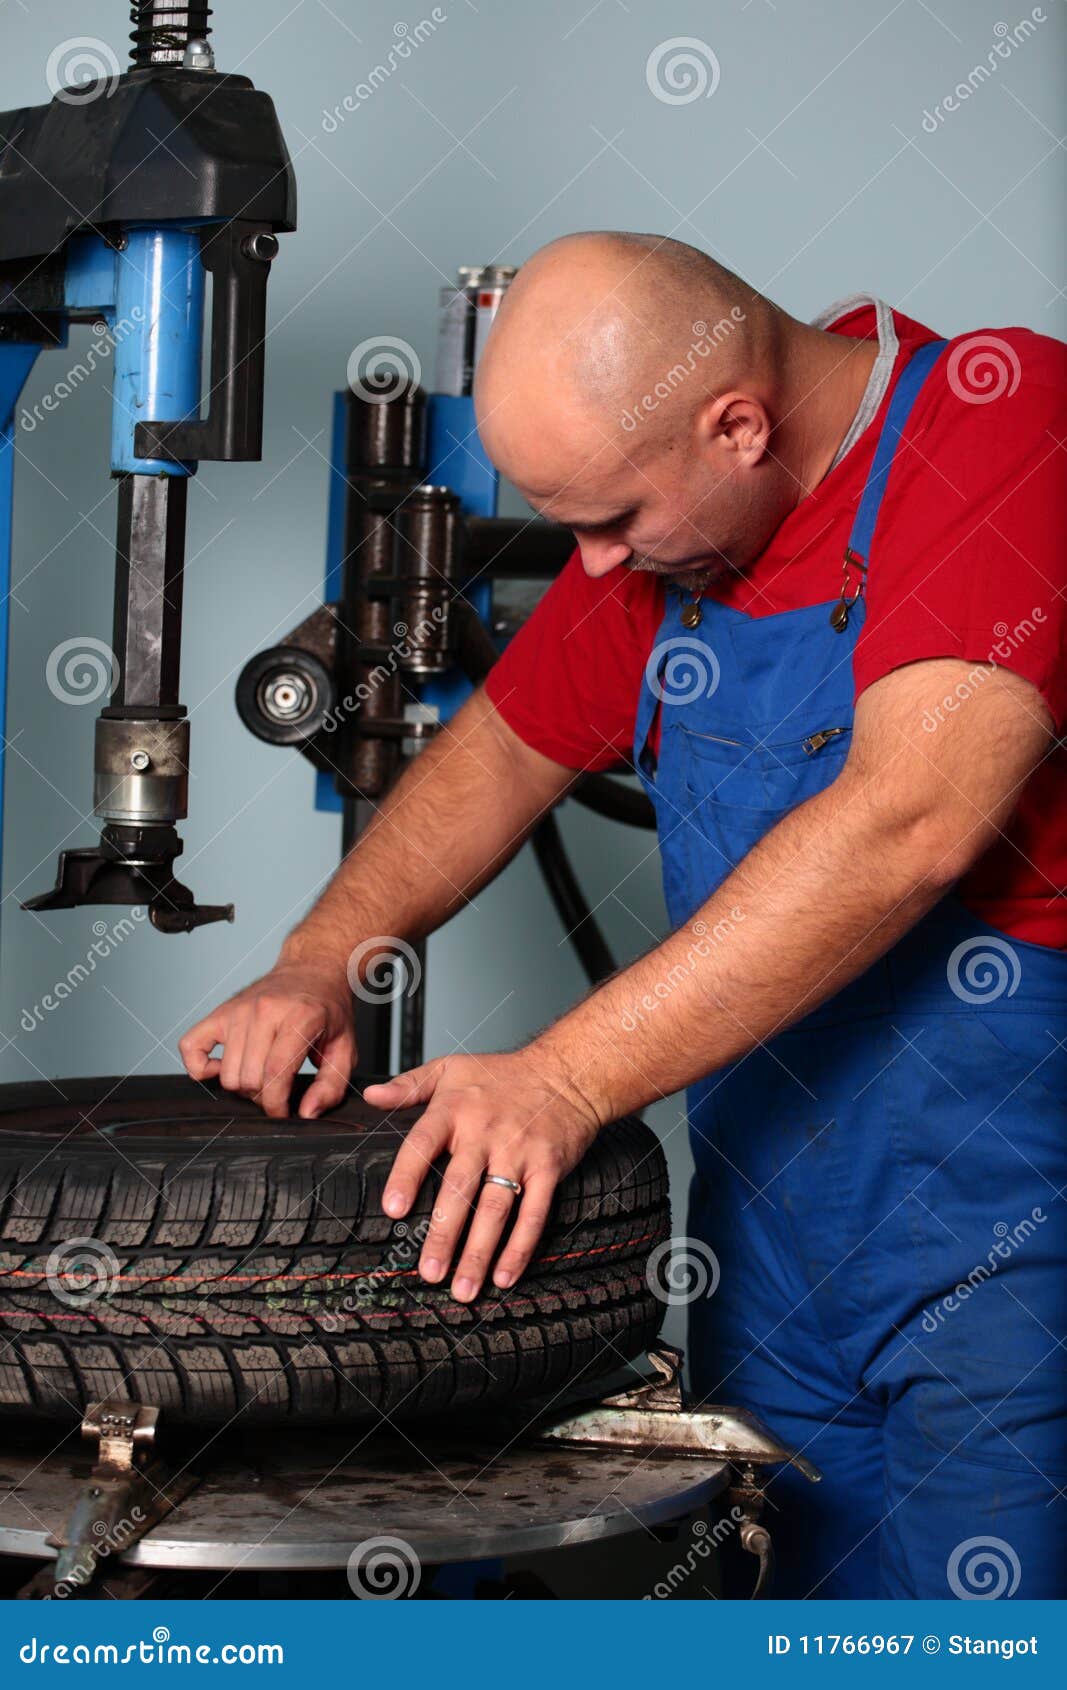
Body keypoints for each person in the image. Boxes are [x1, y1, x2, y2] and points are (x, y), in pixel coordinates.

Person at [180, 233, 1066, 1598]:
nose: (591, 569)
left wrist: (566, 1075)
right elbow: (498, 749)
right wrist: (322, 961)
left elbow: (915, 816)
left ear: (738, 424)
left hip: (1013, 1256)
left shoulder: (1005, 423)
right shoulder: (680, 553)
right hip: (773, 1248)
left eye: (612, 519)